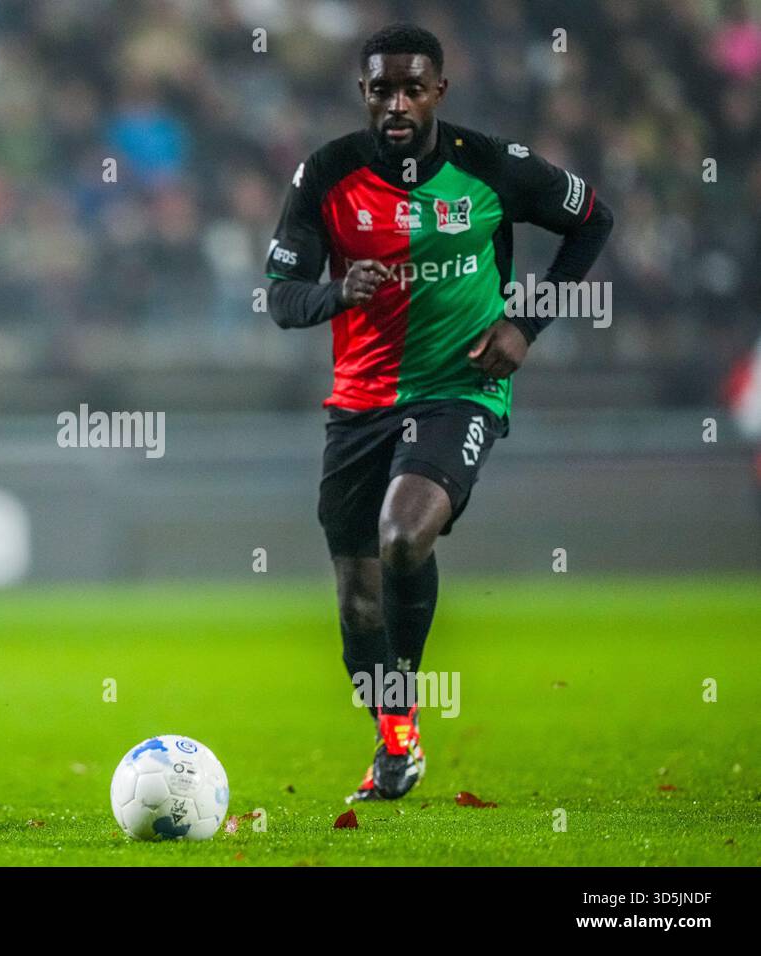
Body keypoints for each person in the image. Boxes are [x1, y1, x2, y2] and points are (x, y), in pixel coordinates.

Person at [263, 23, 613, 803]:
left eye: (412, 87)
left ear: (438, 91)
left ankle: (406, 697)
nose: (396, 102)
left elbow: (593, 220)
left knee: (402, 534)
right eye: (381, 88)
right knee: (357, 600)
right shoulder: (325, 174)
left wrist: (525, 325)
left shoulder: (492, 165)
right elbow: (280, 295)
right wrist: (332, 294)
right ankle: (397, 737)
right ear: (363, 93)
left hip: (461, 389)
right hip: (358, 406)